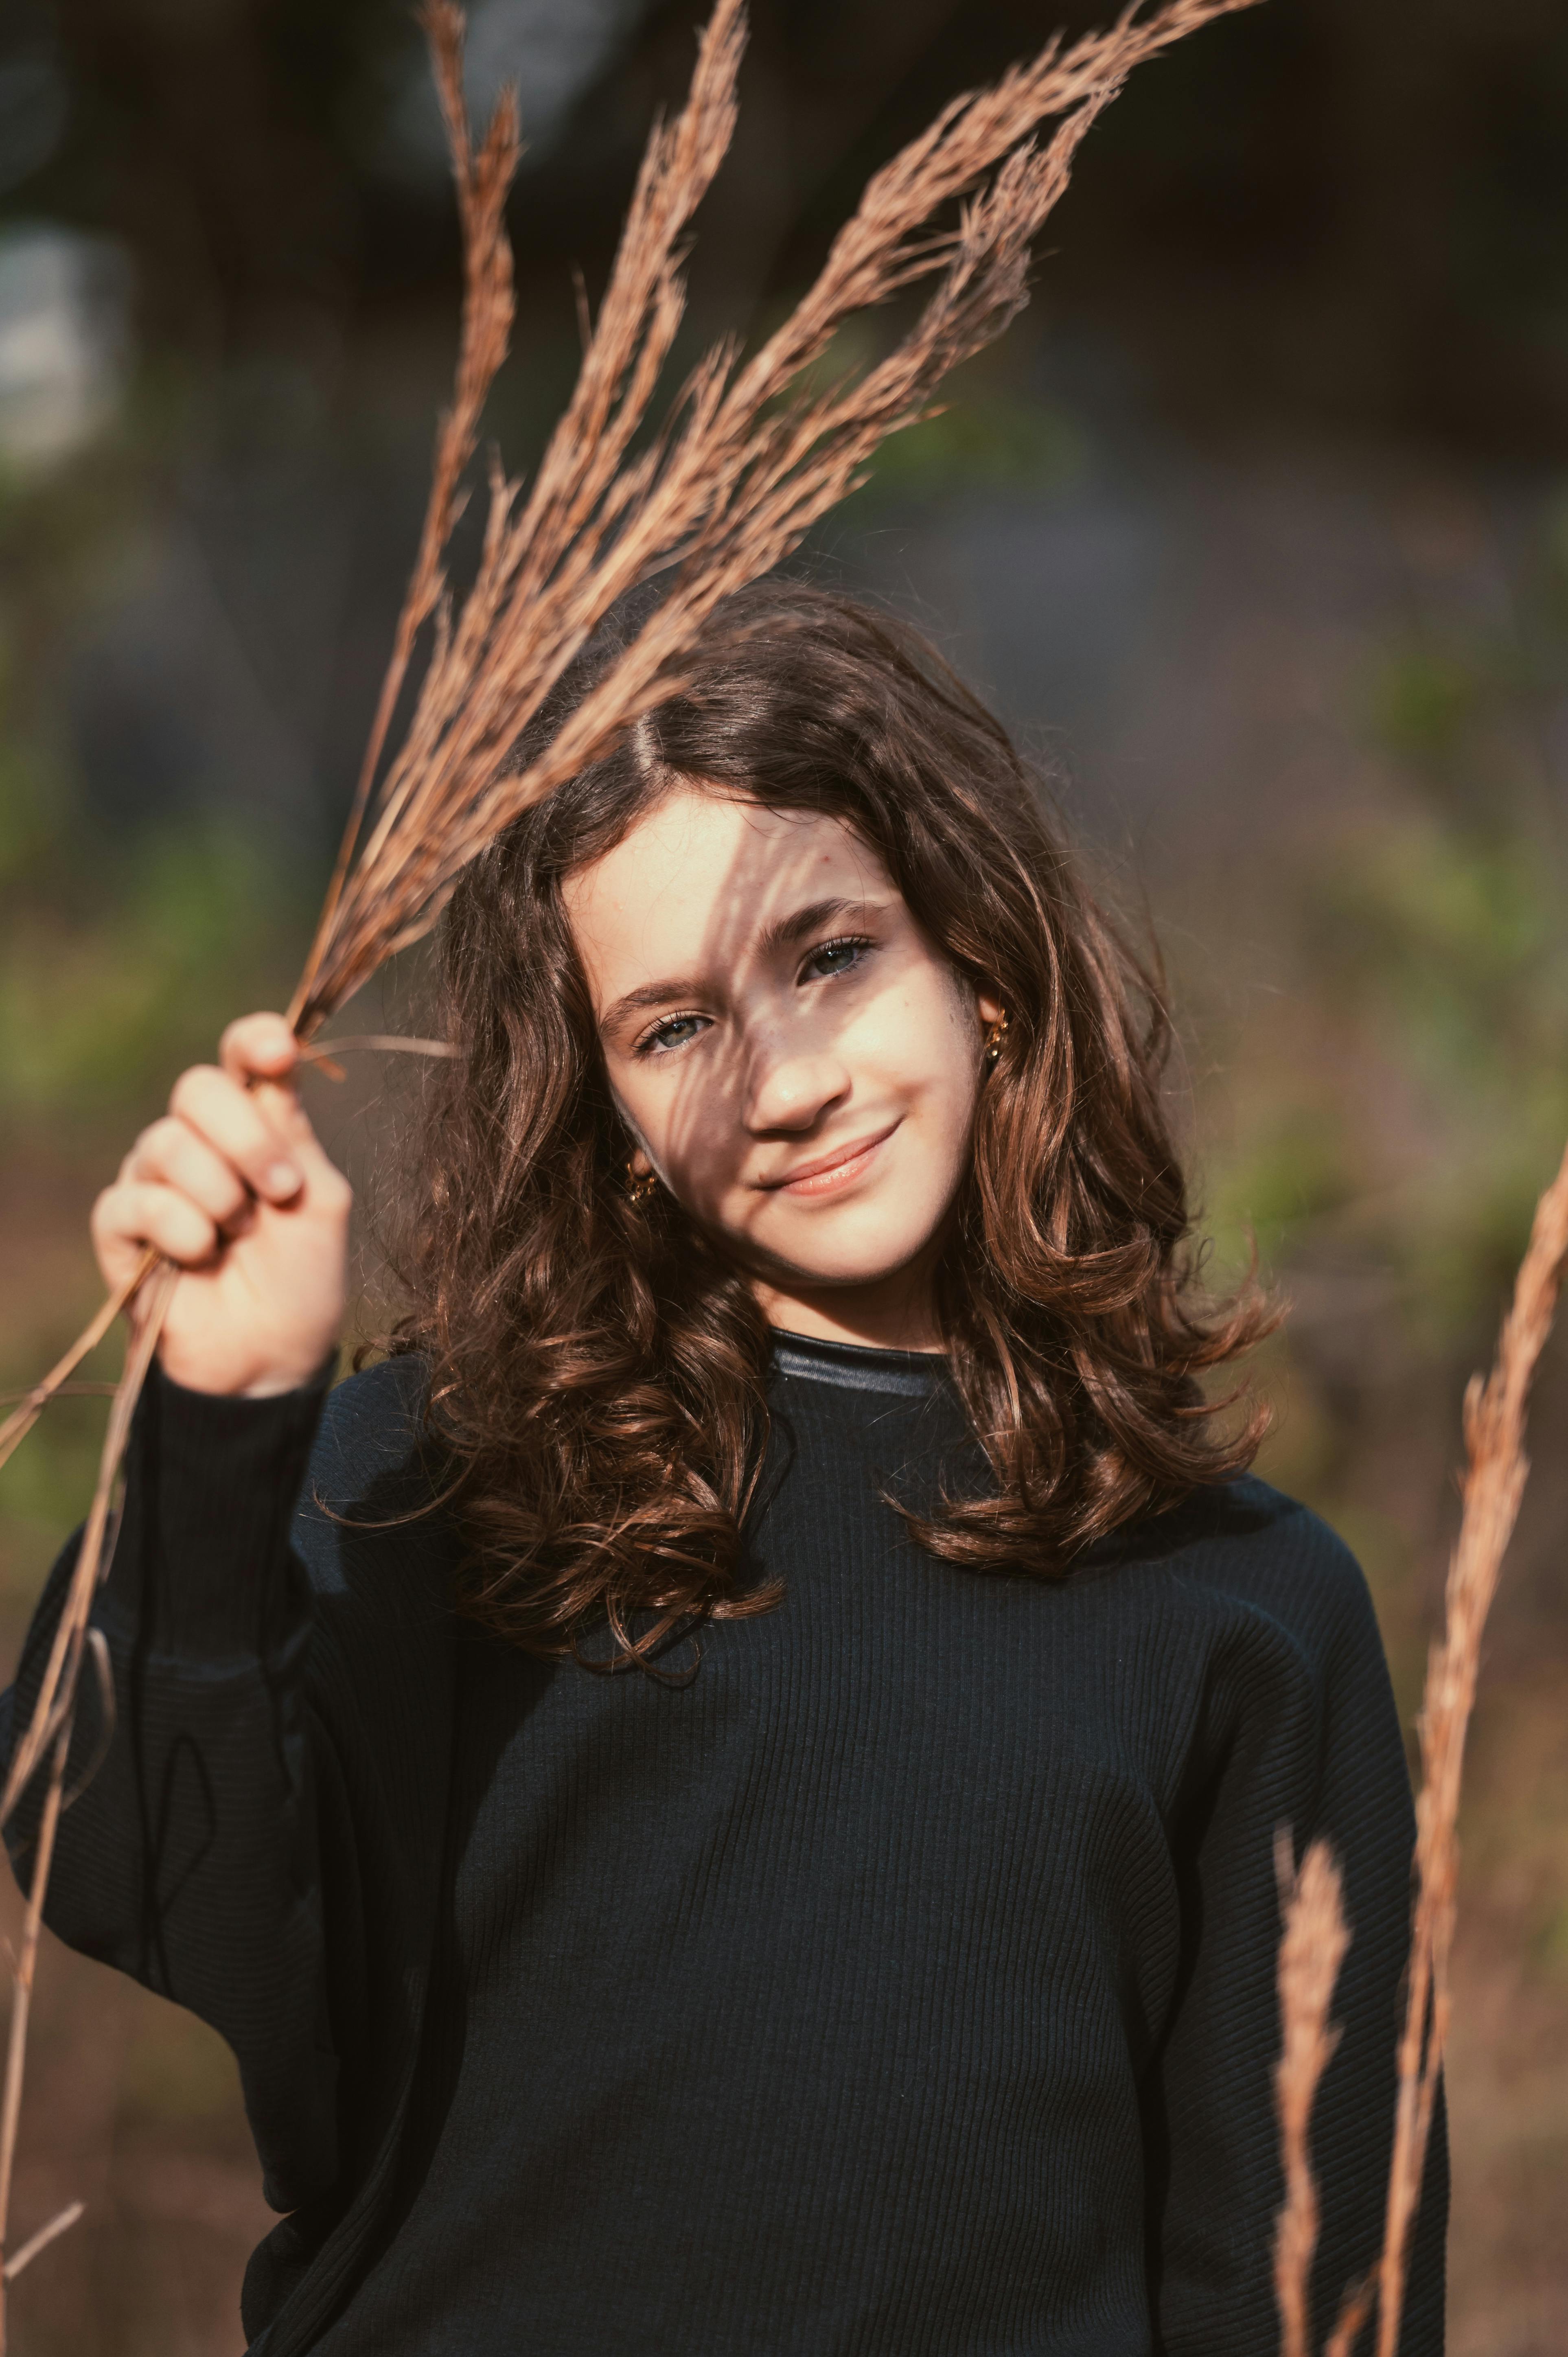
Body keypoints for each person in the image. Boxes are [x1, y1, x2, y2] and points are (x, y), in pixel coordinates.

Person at [2, 583, 1445, 2355]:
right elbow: (124, 1854)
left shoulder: (1244, 1605)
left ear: (979, 961)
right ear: (604, 1114)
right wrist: (218, 1424)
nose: (784, 1080)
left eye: (829, 955)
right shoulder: (439, 1482)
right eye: (675, 1026)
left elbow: (1322, 2291)